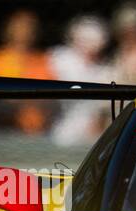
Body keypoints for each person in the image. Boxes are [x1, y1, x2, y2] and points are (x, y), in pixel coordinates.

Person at [47, 15, 113, 145]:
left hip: (89, 140)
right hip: (58, 134)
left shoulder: (104, 71)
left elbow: (101, 112)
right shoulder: (59, 58)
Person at [0, 10, 51, 133]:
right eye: (21, 26)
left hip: (37, 132)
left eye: (30, 27)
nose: (25, 31)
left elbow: (50, 97)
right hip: (4, 130)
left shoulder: (43, 60)